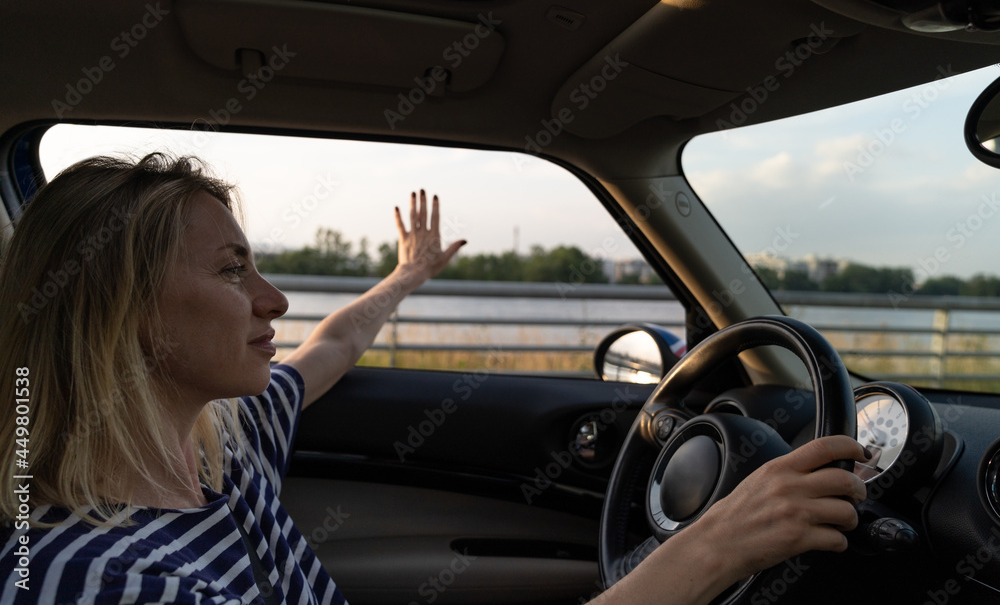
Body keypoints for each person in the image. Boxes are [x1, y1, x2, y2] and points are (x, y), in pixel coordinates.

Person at [0, 153, 866, 604]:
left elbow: (330, 349)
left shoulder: (224, 445)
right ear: (122, 311)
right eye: (231, 271)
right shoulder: (97, 581)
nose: (274, 297)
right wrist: (717, 544)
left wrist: (407, 276)